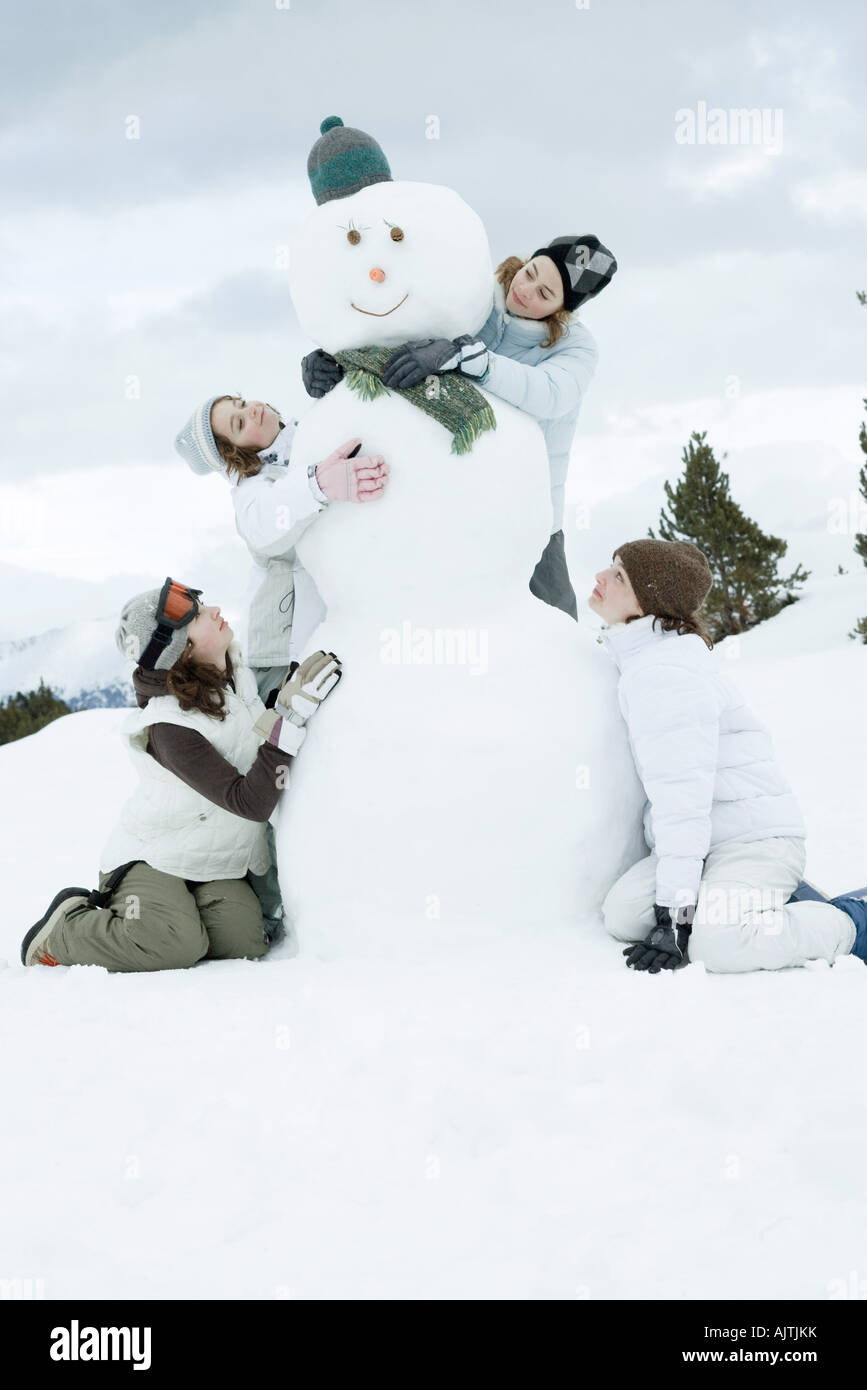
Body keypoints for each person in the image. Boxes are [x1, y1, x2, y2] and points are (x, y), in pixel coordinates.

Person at [21, 578, 341, 972]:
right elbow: (250, 802)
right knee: (174, 944)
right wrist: (288, 722)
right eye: (199, 616)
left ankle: (176, 917)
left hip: (210, 859)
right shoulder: (171, 728)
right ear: (182, 650)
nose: (215, 611)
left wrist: (281, 698)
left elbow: (249, 736)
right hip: (153, 857)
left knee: (245, 938)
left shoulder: (233, 674)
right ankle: (66, 929)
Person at [302, 234, 616, 619]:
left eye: (545, 293)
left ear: (561, 311)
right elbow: (399, 321)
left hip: (528, 509)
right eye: (531, 272)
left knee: (550, 616)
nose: (526, 290)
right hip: (449, 494)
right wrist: (334, 358)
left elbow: (550, 394)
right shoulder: (476, 298)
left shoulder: (576, 347)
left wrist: (472, 360)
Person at [589, 539, 867, 974]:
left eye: (619, 575)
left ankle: (853, 920)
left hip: (754, 841)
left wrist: (675, 915)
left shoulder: (665, 675)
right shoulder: (646, 659)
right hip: (705, 847)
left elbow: (682, 799)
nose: (601, 578)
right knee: (624, 914)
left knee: (719, 944)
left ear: (649, 603)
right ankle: (764, 898)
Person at [174, 395, 388, 705]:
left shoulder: (307, 438)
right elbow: (268, 519)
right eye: (239, 423)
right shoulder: (250, 493)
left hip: (336, 626)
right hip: (279, 652)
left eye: (241, 403)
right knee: (279, 725)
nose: (251, 410)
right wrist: (316, 485)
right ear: (236, 454)